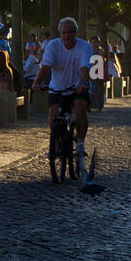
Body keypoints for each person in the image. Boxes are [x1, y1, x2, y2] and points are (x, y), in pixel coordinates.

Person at [32, 17, 94, 184]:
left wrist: (82, 83)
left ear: (75, 33)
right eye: (64, 33)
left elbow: (84, 67)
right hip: (57, 87)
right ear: (60, 33)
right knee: (53, 116)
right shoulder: (53, 45)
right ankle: (58, 143)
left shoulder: (84, 46)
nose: (67, 36)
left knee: (80, 108)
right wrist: (37, 82)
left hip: (77, 87)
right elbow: (45, 66)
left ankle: (80, 142)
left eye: (70, 32)